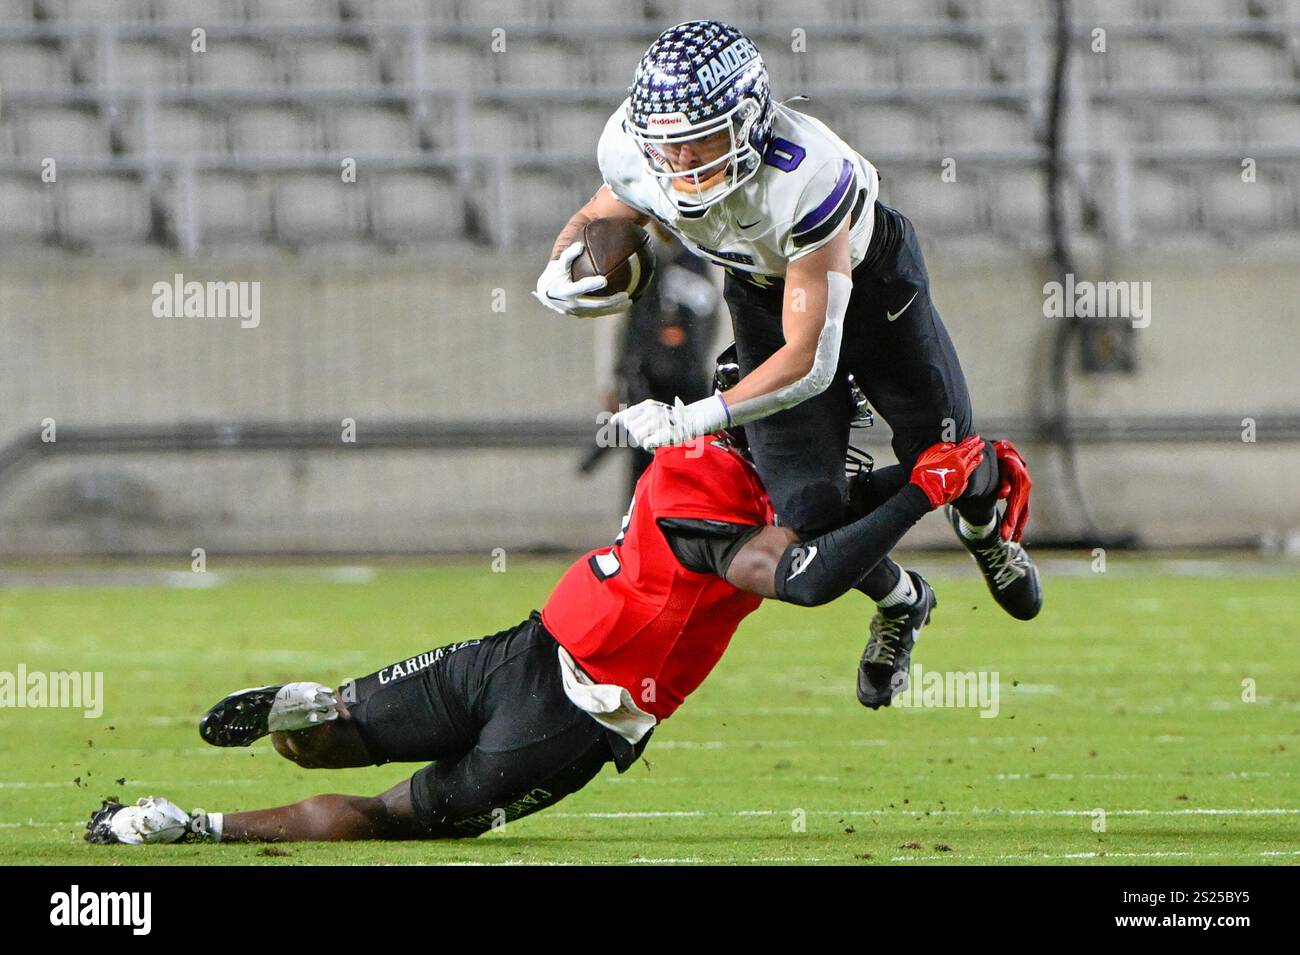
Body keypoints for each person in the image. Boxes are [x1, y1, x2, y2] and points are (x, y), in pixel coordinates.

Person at [85, 424, 988, 845]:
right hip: (574, 717)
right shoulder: (724, 510)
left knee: (332, 741)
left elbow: (818, 524)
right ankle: (188, 829)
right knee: (389, 820)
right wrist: (925, 491)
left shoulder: (693, 459)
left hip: (524, 644)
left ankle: (309, 711)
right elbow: (806, 567)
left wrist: (904, 572)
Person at [533, 20, 1043, 694]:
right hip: (760, 292)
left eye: (703, 143)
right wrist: (562, 267)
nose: (685, 167)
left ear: (748, 119)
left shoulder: (805, 175)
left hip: (872, 291)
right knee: (808, 512)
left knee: (943, 456)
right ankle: (902, 601)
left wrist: (699, 417)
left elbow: (810, 359)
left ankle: (986, 528)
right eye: (671, 149)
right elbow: (605, 213)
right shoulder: (634, 149)